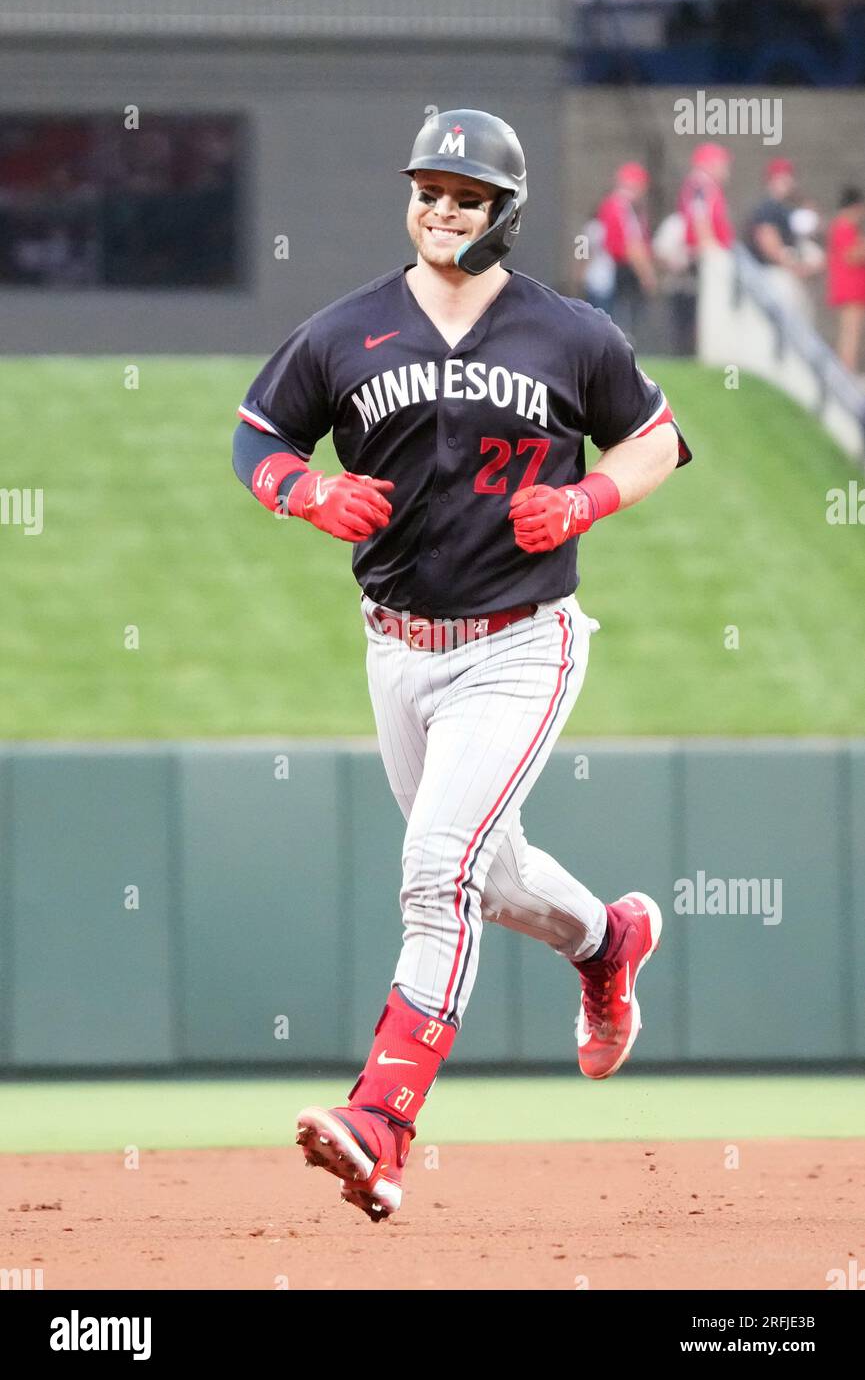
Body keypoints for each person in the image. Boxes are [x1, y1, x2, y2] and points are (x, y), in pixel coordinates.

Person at [232, 109, 692, 1222]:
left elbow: (658, 435)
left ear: (505, 213)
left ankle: (382, 1120)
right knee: (483, 875)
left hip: (520, 643)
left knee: (436, 868)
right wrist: (303, 491)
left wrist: (585, 496)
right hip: (398, 649)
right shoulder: (347, 331)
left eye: (467, 194)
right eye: (430, 188)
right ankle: (607, 938)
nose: (442, 208)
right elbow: (258, 434)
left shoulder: (567, 333)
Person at [745, 158, 823, 324]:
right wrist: (796, 267)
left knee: (801, 321)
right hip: (774, 274)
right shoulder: (768, 207)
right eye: (781, 178)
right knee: (787, 324)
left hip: (790, 272)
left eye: (788, 177)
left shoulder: (790, 207)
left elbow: (810, 234)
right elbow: (768, 241)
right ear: (771, 181)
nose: (786, 181)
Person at [673, 143, 734, 353]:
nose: (726, 171)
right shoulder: (700, 185)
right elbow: (700, 218)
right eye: (722, 165)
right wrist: (711, 248)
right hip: (700, 258)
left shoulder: (703, 186)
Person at [595, 162, 658, 339]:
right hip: (620, 268)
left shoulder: (610, 205)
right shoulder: (622, 207)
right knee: (623, 316)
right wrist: (646, 275)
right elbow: (632, 245)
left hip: (610, 268)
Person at [826, 186, 865, 372]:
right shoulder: (843, 226)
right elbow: (851, 256)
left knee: (850, 334)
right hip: (851, 291)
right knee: (851, 335)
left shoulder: (843, 227)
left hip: (852, 290)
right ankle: (846, 374)